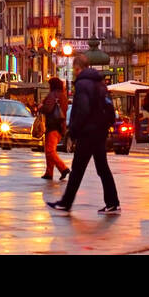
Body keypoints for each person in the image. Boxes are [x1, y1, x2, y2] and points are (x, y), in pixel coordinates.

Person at [45, 54, 121, 214]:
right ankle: (113, 202)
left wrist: (74, 130)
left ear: (78, 68)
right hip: (100, 131)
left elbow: (82, 109)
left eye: (74, 69)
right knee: (102, 167)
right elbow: (109, 108)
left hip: (88, 132)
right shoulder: (100, 83)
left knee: (77, 168)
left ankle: (66, 203)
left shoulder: (82, 84)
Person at [38, 77, 70, 182]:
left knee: (50, 150)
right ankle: (49, 172)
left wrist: (40, 107)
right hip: (60, 126)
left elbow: (48, 109)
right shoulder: (63, 96)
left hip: (53, 125)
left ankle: (63, 168)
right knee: (49, 149)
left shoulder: (53, 95)